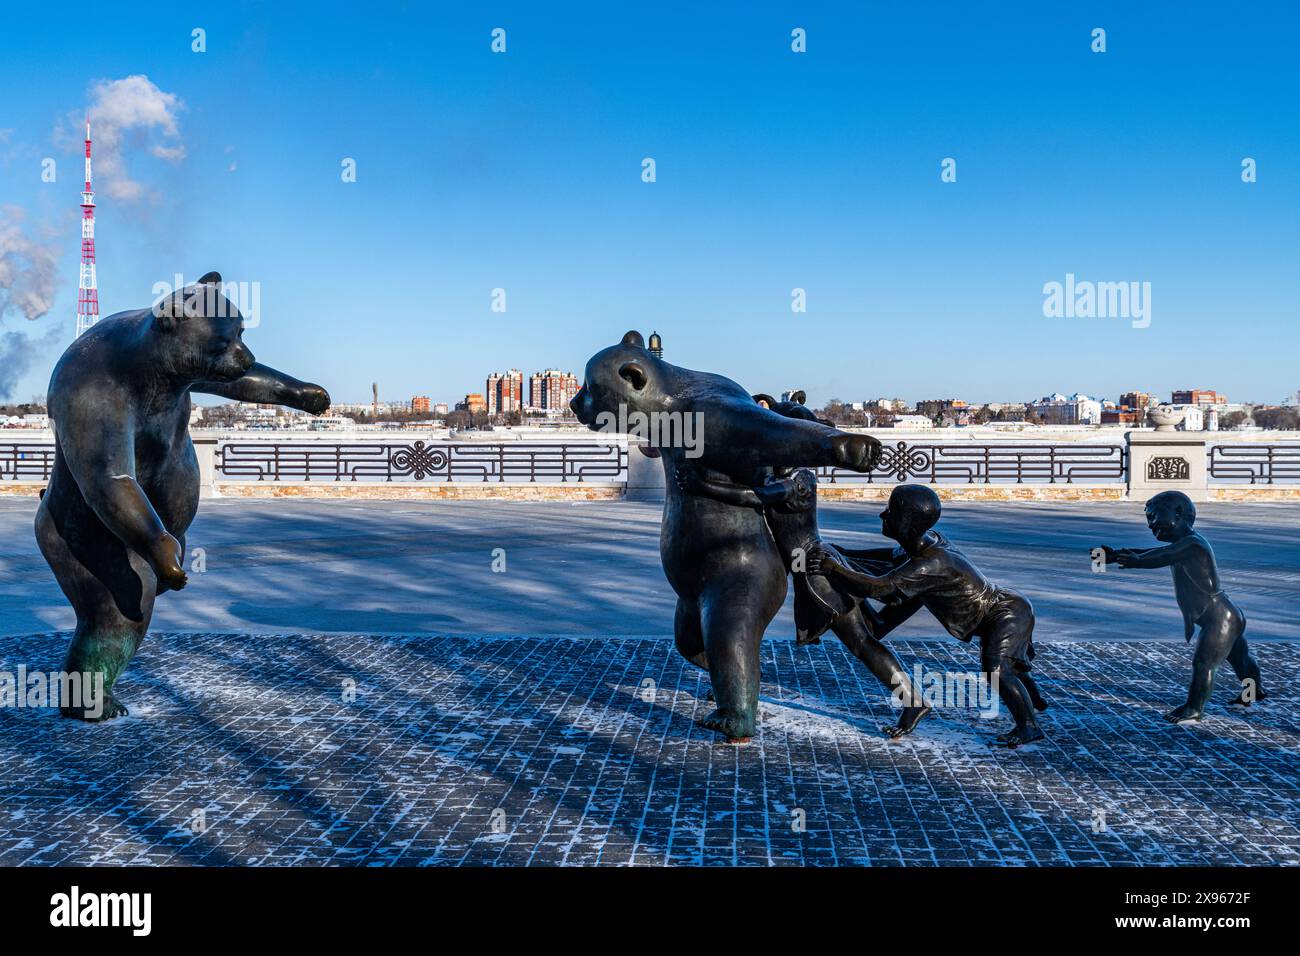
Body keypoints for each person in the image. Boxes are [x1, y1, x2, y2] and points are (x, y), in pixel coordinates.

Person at [807, 484, 1048, 748]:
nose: (882, 515)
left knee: (997, 670)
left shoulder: (930, 563)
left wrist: (834, 568)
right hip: (939, 595)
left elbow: (882, 589)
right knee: (878, 627)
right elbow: (890, 558)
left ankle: (1028, 726)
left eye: (891, 512)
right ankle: (1034, 700)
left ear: (908, 526)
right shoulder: (923, 542)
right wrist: (844, 554)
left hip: (1005, 613)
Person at [1096, 490, 1266, 723]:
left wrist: (1134, 561)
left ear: (1178, 514)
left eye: (1154, 516)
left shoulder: (1192, 545)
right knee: (1241, 661)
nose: (1150, 525)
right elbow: (1152, 552)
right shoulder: (1184, 544)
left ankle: (1194, 709)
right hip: (1226, 614)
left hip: (1219, 618)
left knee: (1204, 663)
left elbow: (1159, 556)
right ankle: (1253, 692)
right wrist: (1116, 556)